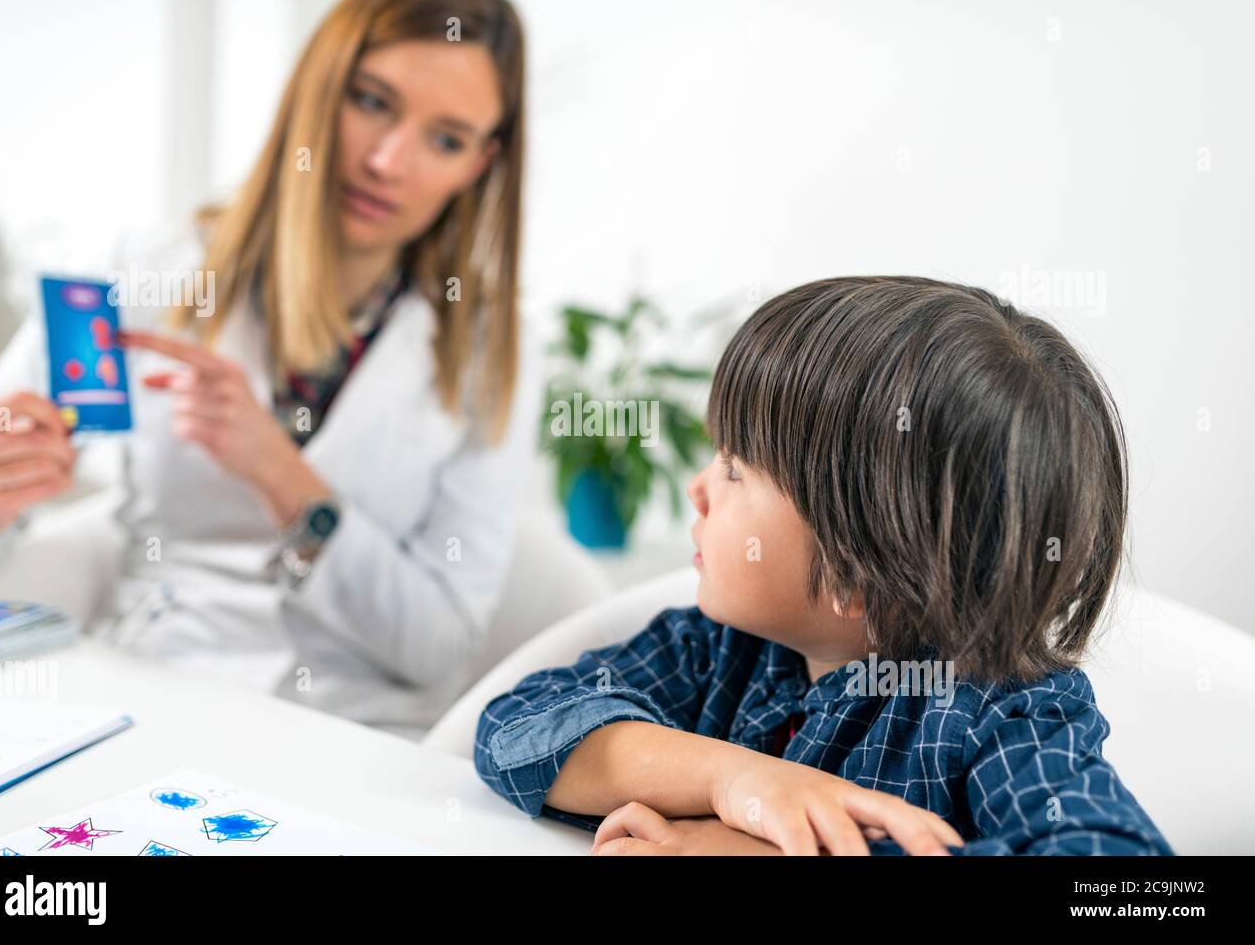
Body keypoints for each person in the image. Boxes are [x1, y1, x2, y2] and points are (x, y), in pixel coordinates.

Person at [0, 0, 536, 737]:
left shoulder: (489, 347)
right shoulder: (143, 273)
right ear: (316, 87)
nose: (387, 162)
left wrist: (282, 476)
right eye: (371, 101)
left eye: (446, 140)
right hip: (150, 701)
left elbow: (438, 648)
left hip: (359, 733)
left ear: (480, 164)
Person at [475, 276, 1174, 855]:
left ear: (855, 569)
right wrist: (738, 783)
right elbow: (518, 728)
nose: (698, 489)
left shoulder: (1003, 712)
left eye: (735, 470)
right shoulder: (715, 651)